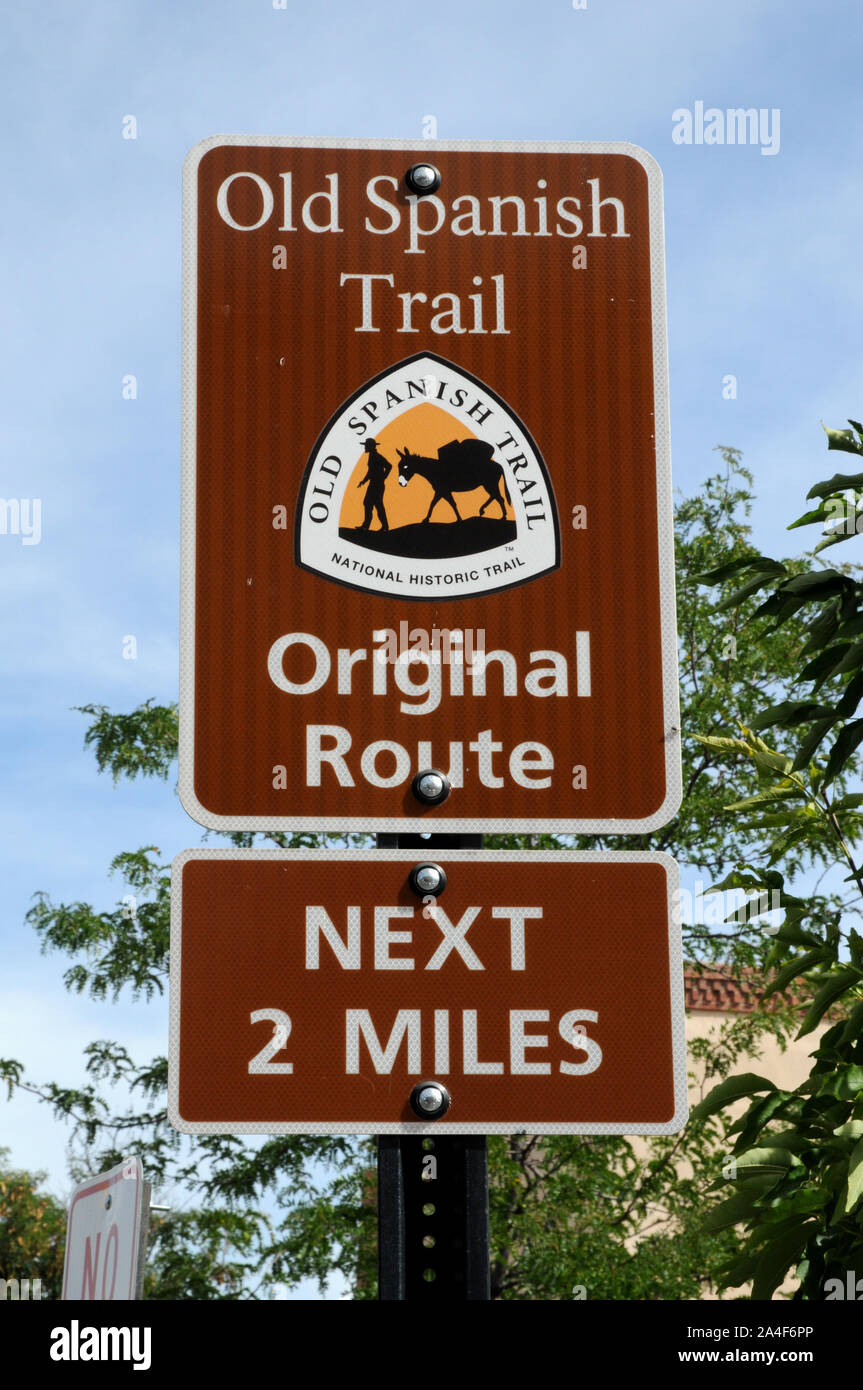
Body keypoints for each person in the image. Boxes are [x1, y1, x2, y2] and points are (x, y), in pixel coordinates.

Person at [356, 438, 391, 531]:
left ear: (370, 447)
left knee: (374, 504)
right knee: (370, 503)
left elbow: (389, 466)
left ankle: (378, 526)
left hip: (377, 485)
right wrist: (363, 481)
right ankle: (370, 526)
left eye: (366, 445)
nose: (364, 447)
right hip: (374, 484)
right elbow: (370, 472)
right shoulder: (372, 456)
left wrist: (383, 477)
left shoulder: (376, 456)